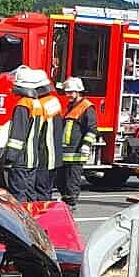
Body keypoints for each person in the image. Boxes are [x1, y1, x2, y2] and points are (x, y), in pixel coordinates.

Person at [0, 66, 63, 201]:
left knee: (19, 195)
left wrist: (9, 157)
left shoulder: (23, 105)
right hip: (35, 159)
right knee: (31, 195)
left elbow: (17, 136)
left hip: (22, 159)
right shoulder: (38, 104)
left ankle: (22, 221)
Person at [57, 77, 97, 208]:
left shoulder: (86, 107)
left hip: (77, 152)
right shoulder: (71, 107)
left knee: (72, 181)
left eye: (70, 92)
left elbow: (92, 129)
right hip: (66, 151)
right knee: (61, 179)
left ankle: (71, 203)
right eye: (66, 92)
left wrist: (86, 144)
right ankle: (65, 200)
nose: (67, 95)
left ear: (78, 92)